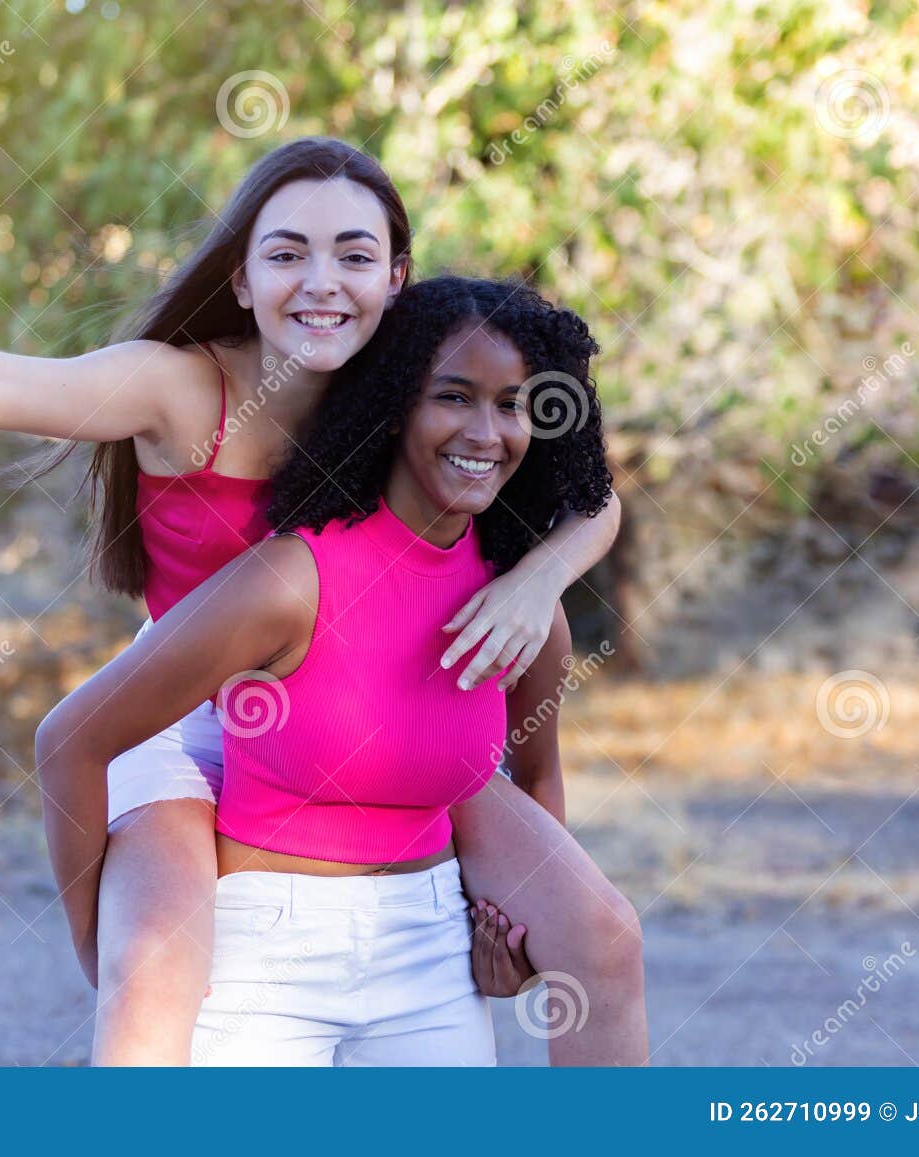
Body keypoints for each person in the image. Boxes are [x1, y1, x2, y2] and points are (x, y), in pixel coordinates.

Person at [0, 138, 644, 1064]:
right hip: (187, 709)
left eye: (355, 257)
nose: (322, 282)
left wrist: (538, 577)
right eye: (288, 253)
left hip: (361, 700)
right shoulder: (184, 389)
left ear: (397, 281)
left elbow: (586, 490)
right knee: (155, 975)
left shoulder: (408, 386)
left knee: (600, 932)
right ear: (241, 278)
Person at [38, 276, 628, 1063]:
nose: (486, 431)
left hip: (429, 952)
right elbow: (70, 739)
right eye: (453, 397)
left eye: (512, 404)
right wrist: (96, 940)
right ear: (393, 407)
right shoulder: (289, 579)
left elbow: (538, 777)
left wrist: (513, 929)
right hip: (265, 959)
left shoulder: (522, 608)